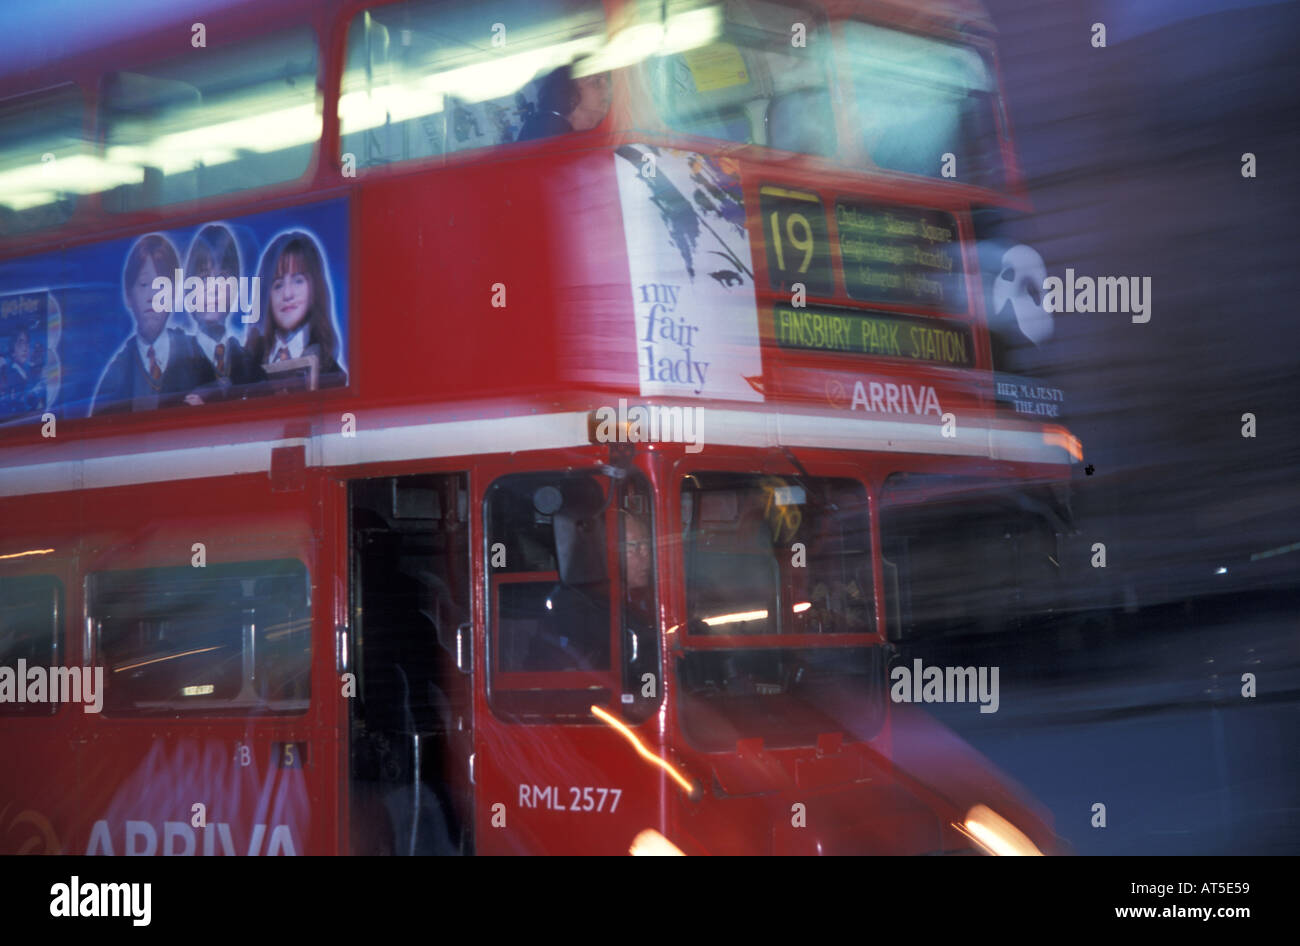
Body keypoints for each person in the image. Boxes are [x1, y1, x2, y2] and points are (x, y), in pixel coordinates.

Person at [91, 234, 216, 416]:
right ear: (128, 295)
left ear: (174, 294)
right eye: (143, 284)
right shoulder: (118, 371)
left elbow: (223, 389)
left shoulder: (192, 352)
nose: (152, 296)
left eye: (161, 286)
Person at [248, 231, 344, 386]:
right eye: (278, 285)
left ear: (315, 288)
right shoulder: (247, 368)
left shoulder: (332, 374)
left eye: (298, 280)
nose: (287, 294)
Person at [184, 224, 262, 396]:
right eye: (204, 277)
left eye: (223, 277)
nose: (213, 288)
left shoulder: (249, 365)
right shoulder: (175, 366)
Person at [516, 66, 611, 142]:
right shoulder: (543, 131)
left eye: (609, 83)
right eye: (596, 82)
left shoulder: (613, 131)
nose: (608, 90)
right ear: (569, 90)